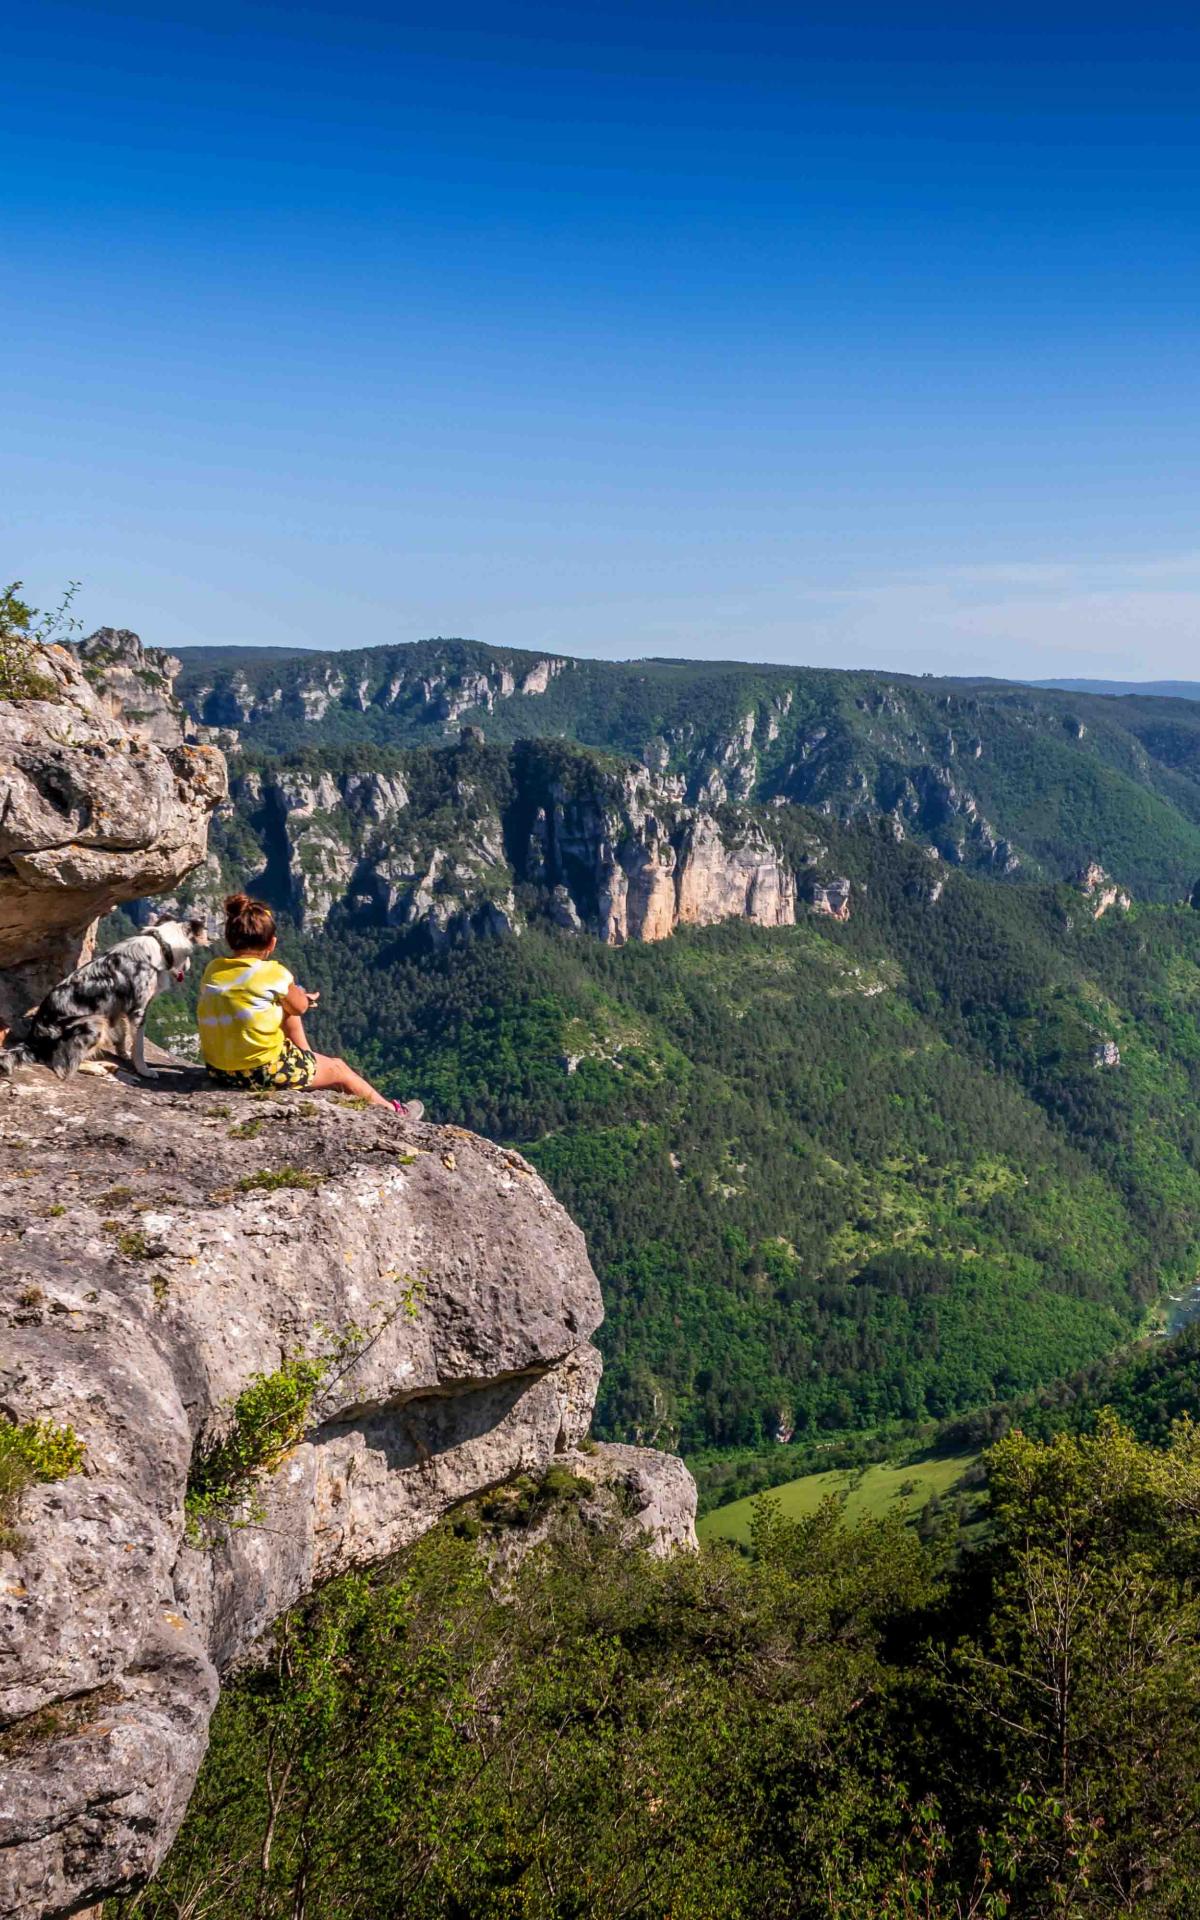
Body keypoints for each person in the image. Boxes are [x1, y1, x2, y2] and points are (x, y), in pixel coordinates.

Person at [197, 892, 422, 1117]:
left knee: (282, 1007)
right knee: (339, 1068)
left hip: (218, 1071)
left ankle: (306, 1061)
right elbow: (300, 1008)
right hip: (258, 1072)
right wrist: (303, 997)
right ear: (272, 943)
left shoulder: (213, 969)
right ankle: (395, 1112)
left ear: (228, 939)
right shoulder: (274, 973)